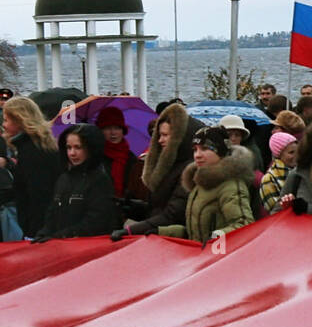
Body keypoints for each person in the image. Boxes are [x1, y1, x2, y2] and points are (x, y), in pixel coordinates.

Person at [118, 102, 206, 238]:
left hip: (176, 241)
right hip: (161, 237)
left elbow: (173, 215)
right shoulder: (170, 165)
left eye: (165, 135)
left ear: (179, 137)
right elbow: (160, 208)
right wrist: (135, 208)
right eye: (159, 135)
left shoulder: (190, 171)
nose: (160, 140)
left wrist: (131, 231)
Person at [155, 126, 255, 243]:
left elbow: (245, 225)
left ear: (220, 151)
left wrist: (217, 236)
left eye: (205, 148)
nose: (197, 155)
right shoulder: (199, 183)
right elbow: (196, 233)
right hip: (202, 256)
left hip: (219, 257)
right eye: (195, 149)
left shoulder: (231, 185)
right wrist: (160, 232)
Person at [0, 96, 62, 239]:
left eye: (6, 120)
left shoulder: (31, 151)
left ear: (20, 120)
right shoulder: (40, 145)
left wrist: (32, 231)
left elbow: (37, 195)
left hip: (38, 229)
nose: (4, 125)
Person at [33, 124, 118, 241]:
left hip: (87, 247)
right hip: (60, 245)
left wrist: (59, 236)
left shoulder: (100, 180)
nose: (72, 153)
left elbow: (96, 221)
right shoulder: (64, 178)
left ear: (91, 148)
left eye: (78, 147)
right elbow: (52, 212)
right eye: (68, 147)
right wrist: (44, 232)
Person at [96, 106, 149, 214]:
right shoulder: (94, 158)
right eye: (108, 128)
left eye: (117, 128)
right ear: (100, 131)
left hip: (126, 213)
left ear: (123, 130)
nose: (113, 133)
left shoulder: (132, 160)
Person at [260, 130, 298, 214]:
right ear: (279, 155)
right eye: (291, 152)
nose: (297, 156)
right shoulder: (268, 179)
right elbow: (275, 212)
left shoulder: (303, 171)